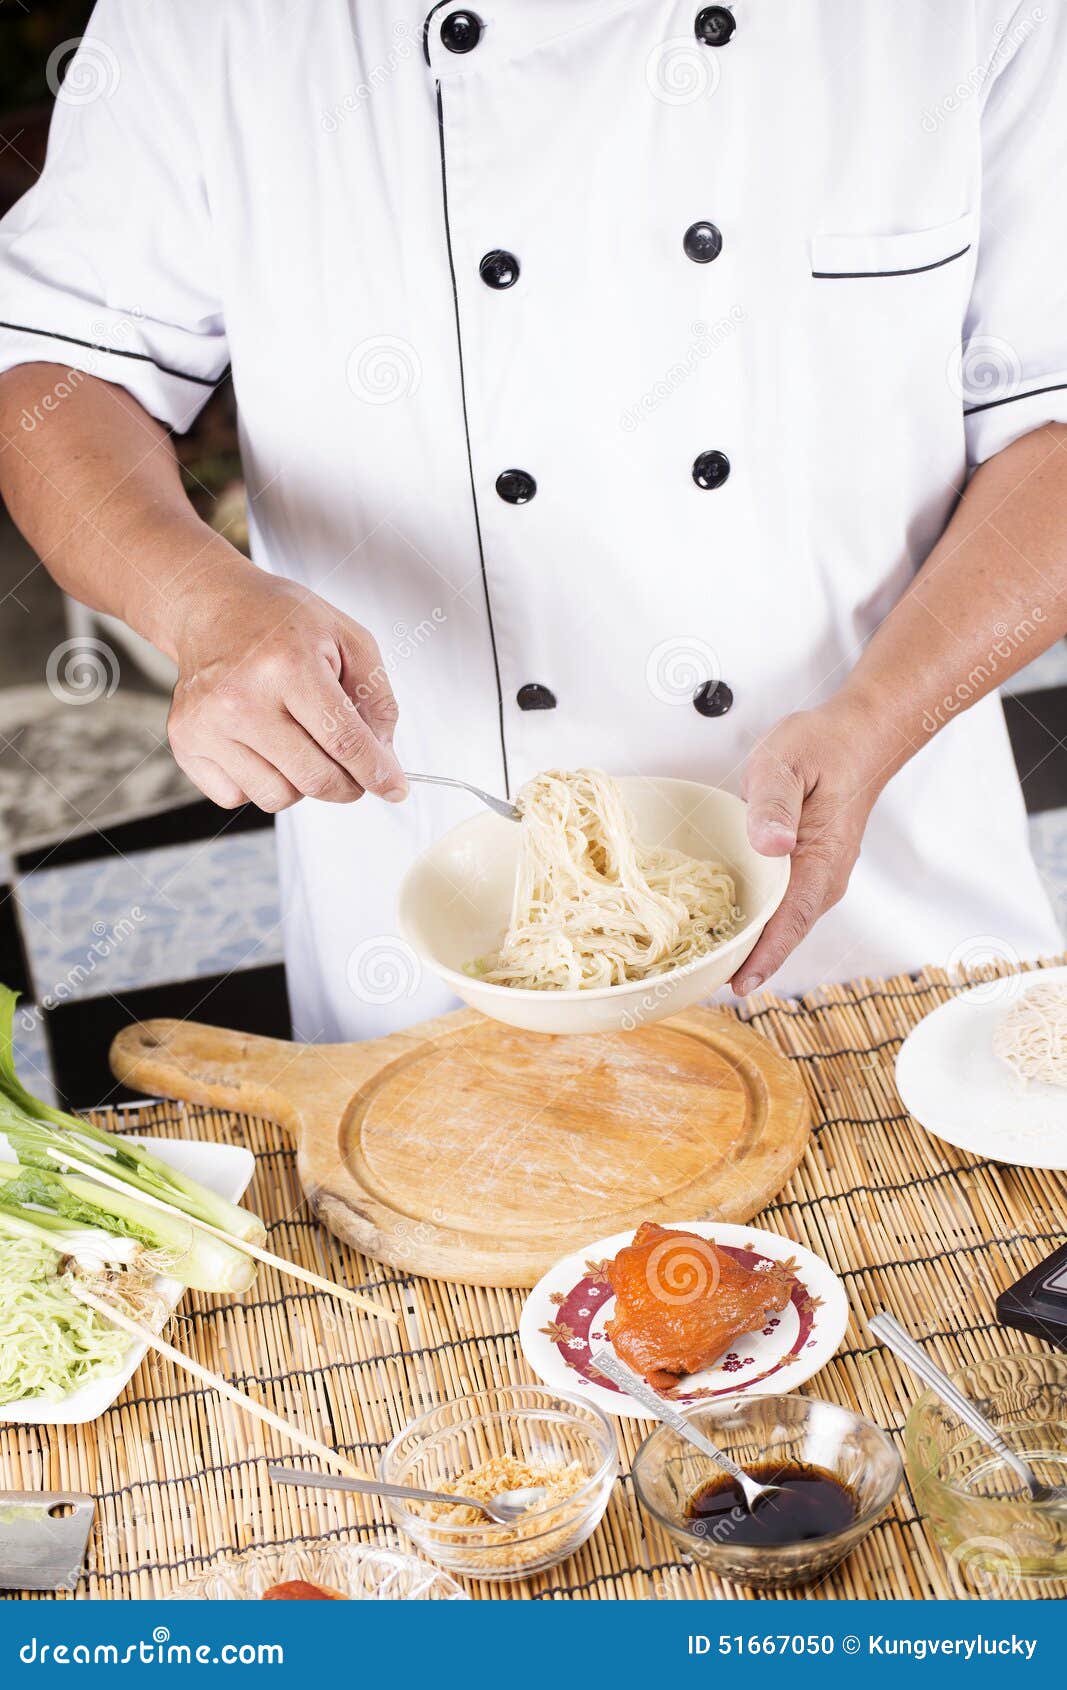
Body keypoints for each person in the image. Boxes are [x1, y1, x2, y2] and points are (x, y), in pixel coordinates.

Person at [1, 1, 1065, 1042]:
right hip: (450, 968)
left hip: (887, 945)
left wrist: (877, 719)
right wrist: (200, 602)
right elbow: (52, 366)